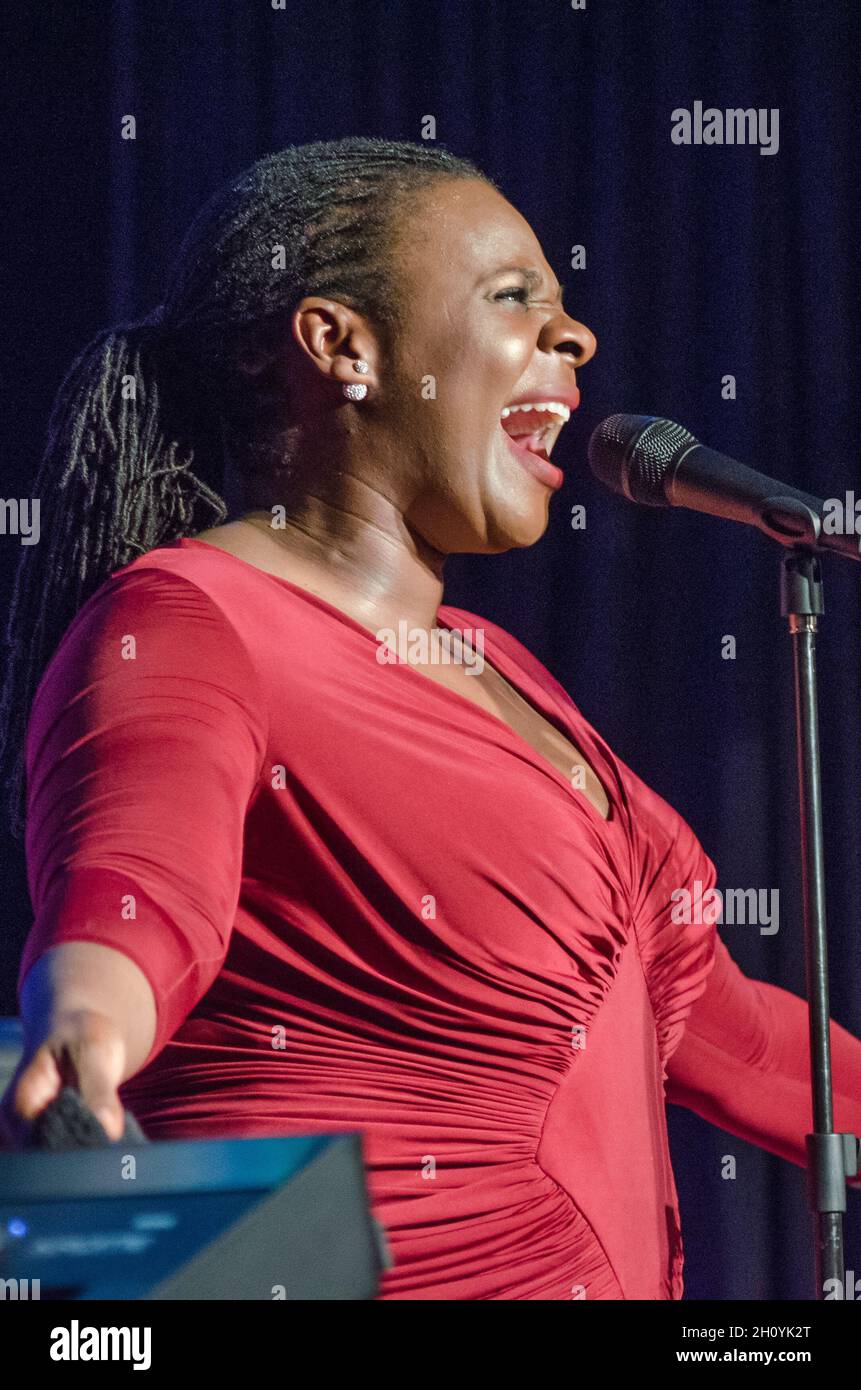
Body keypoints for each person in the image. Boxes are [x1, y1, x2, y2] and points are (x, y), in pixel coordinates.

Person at [1, 136, 859, 1301]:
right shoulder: (193, 620)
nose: (577, 338)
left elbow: (735, 1035)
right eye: (514, 296)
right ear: (340, 344)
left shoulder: (509, 673)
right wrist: (82, 1035)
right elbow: (139, 890)